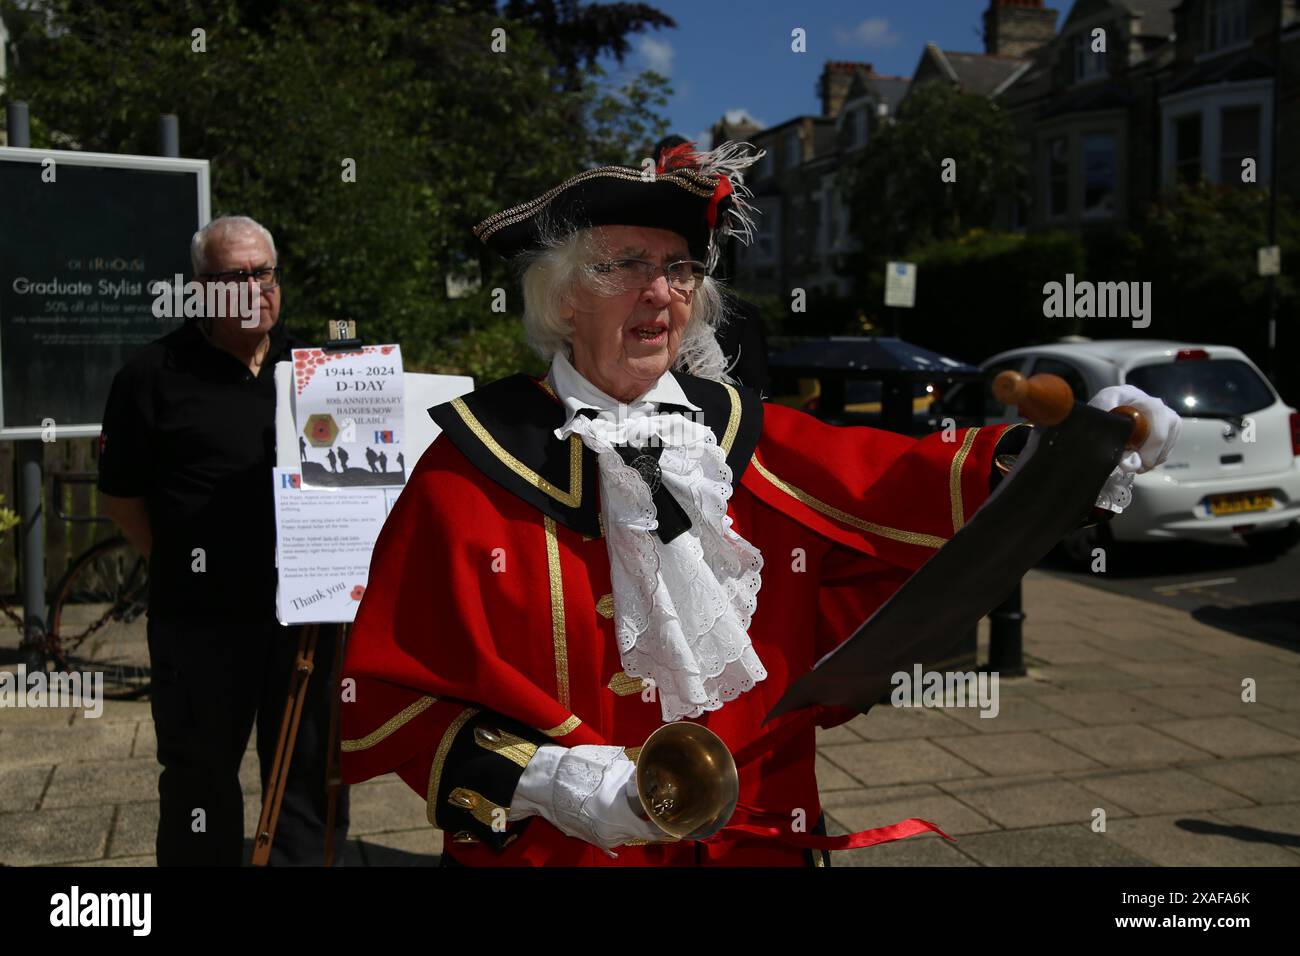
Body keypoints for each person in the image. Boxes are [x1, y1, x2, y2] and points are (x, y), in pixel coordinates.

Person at [338, 145, 1179, 866]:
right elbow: (392, 699)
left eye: (677, 270)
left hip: (755, 843)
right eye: (622, 265)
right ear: (561, 300)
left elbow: (898, 483)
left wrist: (1065, 456)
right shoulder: (471, 464)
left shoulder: (736, 439)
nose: (660, 293)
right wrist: (554, 780)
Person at [98, 215, 350, 866]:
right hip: (200, 623)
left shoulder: (319, 372)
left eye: (264, 272)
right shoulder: (151, 375)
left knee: (310, 778)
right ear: (200, 289)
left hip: (307, 619)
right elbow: (123, 500)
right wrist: (181, 563)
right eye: (235, 276)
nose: (255, 287)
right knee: (198, 781)